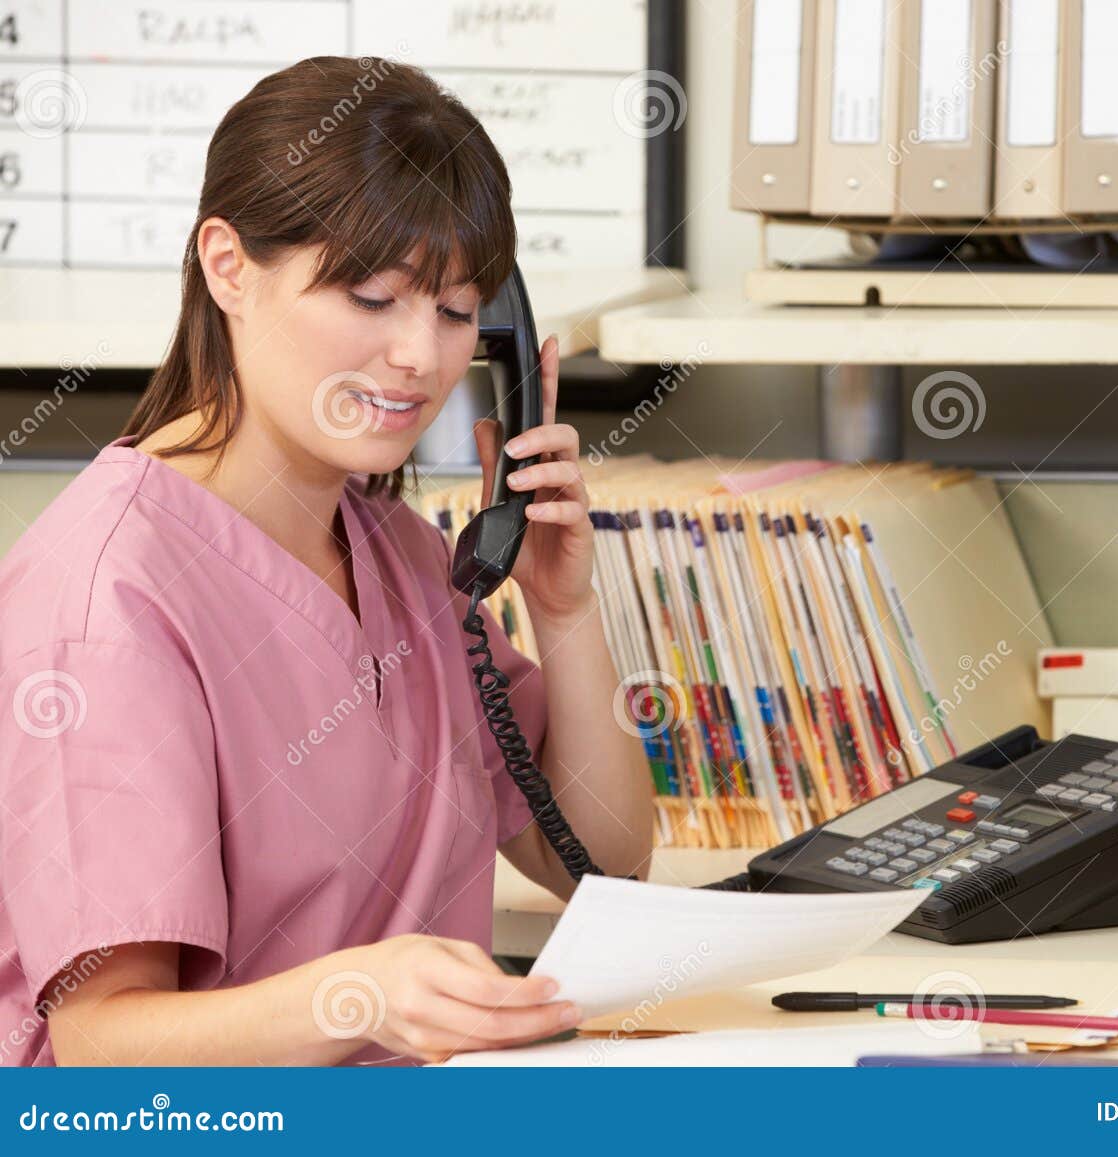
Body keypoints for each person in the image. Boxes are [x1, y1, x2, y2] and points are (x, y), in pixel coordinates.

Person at [0, 57, 652, 1066]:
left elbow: (606, 863)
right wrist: (359, 997)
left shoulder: (402, 552)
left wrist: (565, 612)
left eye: (452, 310)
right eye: (370, 296)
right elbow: (101, 1042)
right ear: (228, 266)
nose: (418, 358)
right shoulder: (106, 598)